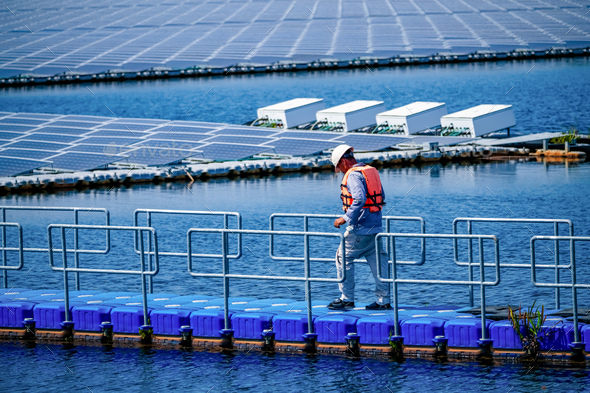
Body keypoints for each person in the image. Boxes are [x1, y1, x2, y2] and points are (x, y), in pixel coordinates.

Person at [328, 144, 391, 310]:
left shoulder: (353, 176)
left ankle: (347, 298)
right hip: (375, 226)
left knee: (343, 257)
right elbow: (381, 196)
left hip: (360, 228)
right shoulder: (369, 171)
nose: (340, 171)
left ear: (342, 161)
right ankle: (383, 300)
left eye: (339, 167)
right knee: (378, 261)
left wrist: (345, 218)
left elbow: (359, 199)